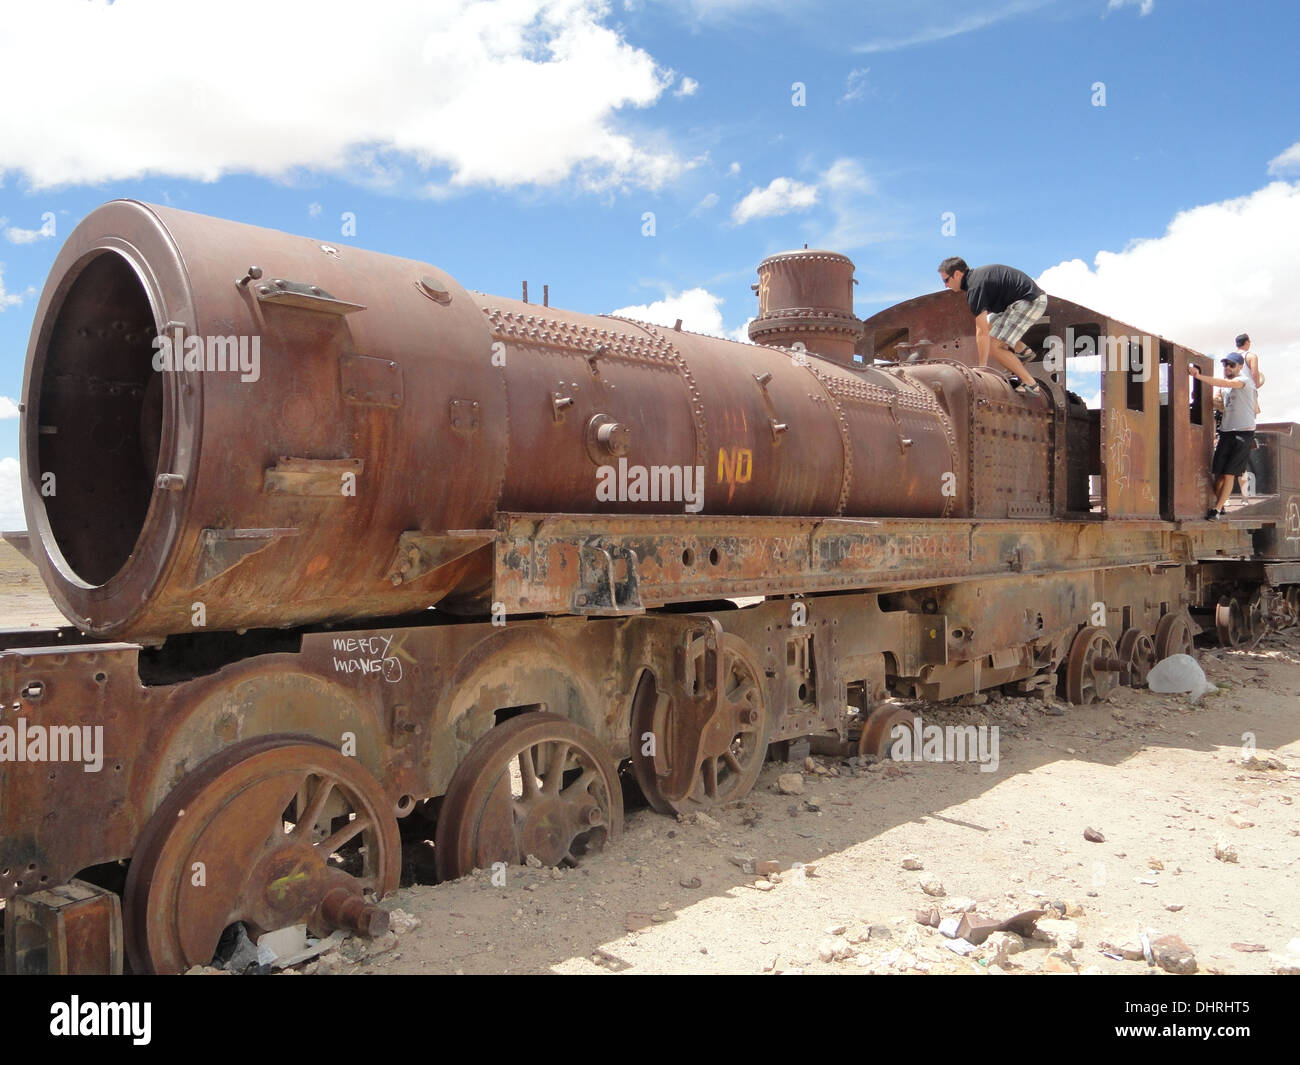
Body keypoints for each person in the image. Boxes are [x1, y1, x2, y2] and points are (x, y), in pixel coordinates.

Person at [939, 257, 1046, 397]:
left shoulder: (975, 287)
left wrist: (982, 367)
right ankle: (1022, 351)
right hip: (1015, 303)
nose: (946, 285)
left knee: (995, 346)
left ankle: (1030, 384)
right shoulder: (976, 279)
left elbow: (981, 331)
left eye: (946, 280)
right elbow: (986, 327)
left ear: (958, 274)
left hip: (1029, 301)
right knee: (992, 327)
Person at [1190, 353, 1257, 520]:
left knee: (1229, 474)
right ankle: (1221, 503)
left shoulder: (1245, 381)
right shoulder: (1224, 389)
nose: (1227, 367)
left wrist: (1198, 376)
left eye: (1231, 365)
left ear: (1240, 367)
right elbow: (1220, 401)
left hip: (1243, 432)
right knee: (1217, 473)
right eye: (1225, 364)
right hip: (1226, 432)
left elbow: (1225, 382)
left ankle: (1217, 510)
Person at [1234, 332, 1264, 415]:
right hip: (1247, 390)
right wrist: (1257, 385)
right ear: (1247, 342)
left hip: (1232, 389)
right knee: (1248, 419)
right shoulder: (1251, 356)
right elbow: (1254, 373)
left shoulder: (1230, 357)